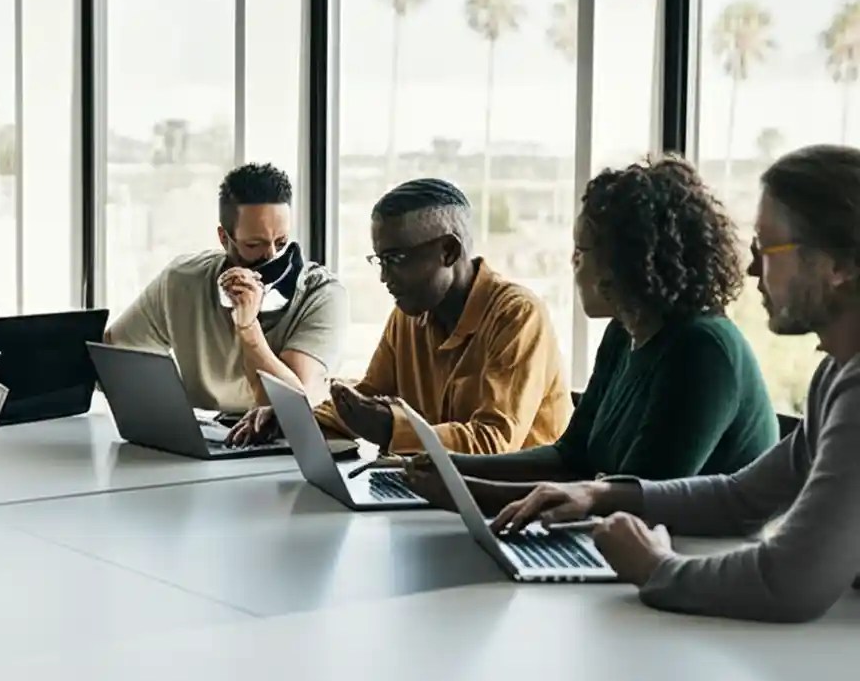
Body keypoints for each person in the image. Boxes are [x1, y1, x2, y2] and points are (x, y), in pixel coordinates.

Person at [474, 145, 860, 623]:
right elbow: (742, 498)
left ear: (839, 265)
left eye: (768, 248)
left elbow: (789, 582)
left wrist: (656, 568)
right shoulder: (837, 373)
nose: (753, 268)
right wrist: (604, 495)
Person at [401, 158, 777, 508]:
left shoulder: (702, 351)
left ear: (629, 263)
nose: (572, 263)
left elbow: (634, 497)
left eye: (581, 250)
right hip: (636, 544)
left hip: (693, 556)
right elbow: (571, 456)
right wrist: (449, 465)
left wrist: (465, 492)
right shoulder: (622, 333)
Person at [234, 178, 571, 453]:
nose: (383, 277)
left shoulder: (517, 316)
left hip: (515, 509)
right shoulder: (409, 314)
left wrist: (388, 427)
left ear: (449, 251)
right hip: (435, 494)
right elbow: (367, 395)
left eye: (395, 259)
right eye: (379, 260)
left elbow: (493, 442)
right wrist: (295, 417)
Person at [107, 163, 347, 416]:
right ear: (224, 238)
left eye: (281, 242)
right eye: (254, 244)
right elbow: (115, 356)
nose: (272, 256)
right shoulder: (182, 279)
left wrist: (248, 327)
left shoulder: (323, 295)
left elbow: (292, 408)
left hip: (281, 443)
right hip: (202, 438)